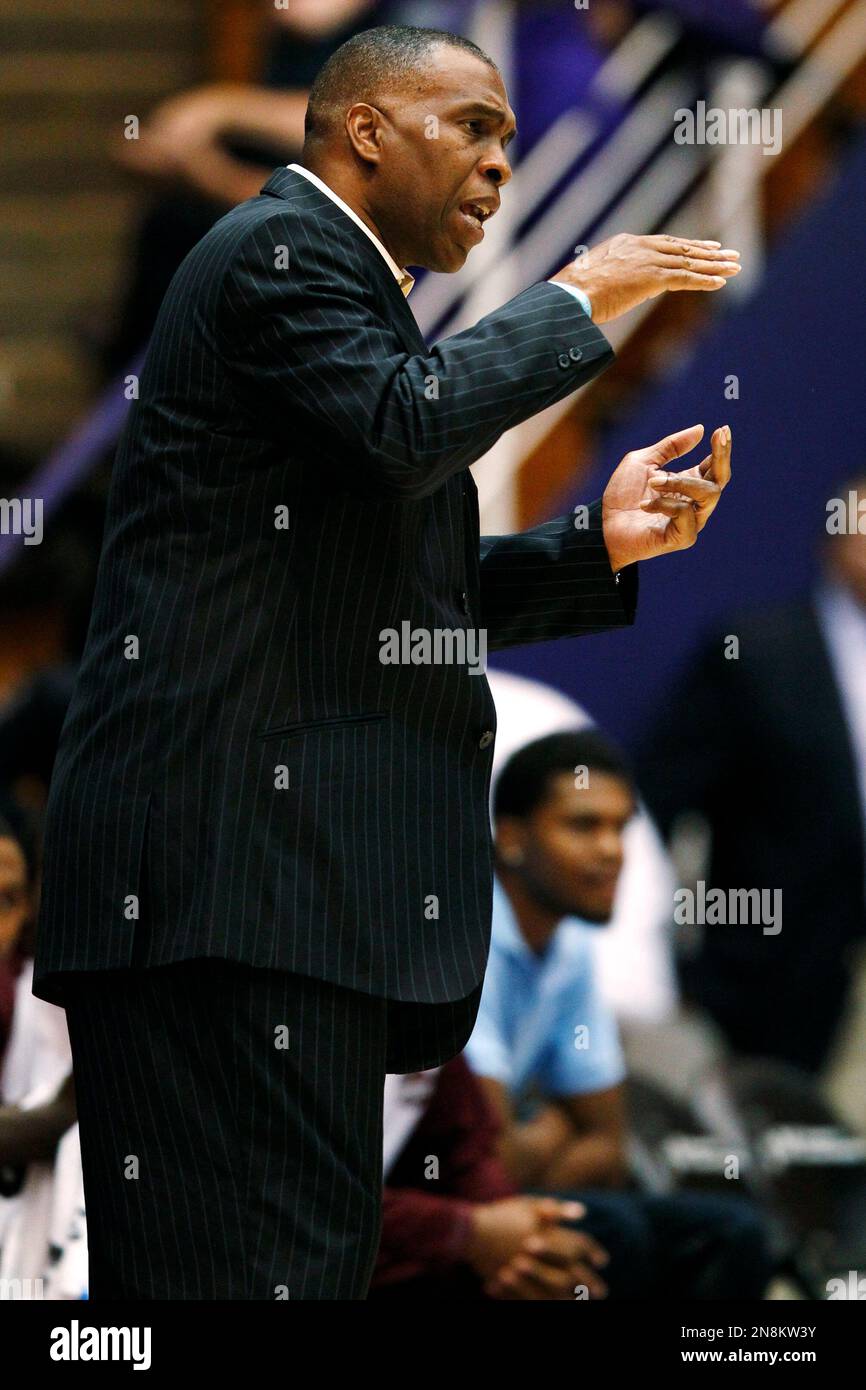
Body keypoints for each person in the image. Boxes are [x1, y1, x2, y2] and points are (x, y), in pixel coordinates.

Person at [34, 24, 734, 1300]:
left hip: (259, 902)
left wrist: (602, 542)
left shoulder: (341, 306)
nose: (498, 167)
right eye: (472, 127)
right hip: (229, 894)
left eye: (507, 140)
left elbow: (394, 603)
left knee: (265, 1279)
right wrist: (579, 296)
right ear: (366, 130)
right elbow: (407, 423)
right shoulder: (281, 255)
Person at [464, 731, 771, 1298]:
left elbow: (608, 1145)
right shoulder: (463, 941)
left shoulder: (571, 945)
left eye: (621, 826)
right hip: (427, 1211)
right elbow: (491, 1168)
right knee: (613, 1230)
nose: (612, 850)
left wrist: (544, 1135)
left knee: (732, 1233)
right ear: (510, 837)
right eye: (584, 825)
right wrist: (563, 1121)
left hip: (505, 1193)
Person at [638, 471, 866, 1074]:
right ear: (836, 539)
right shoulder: (757, 651)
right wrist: (661, 955)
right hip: (760, 979)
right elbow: (656, 800)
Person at [370, 1055, 610, 1300]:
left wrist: (521, 1236)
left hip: (403, 1223)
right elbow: (333, 1205)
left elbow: (465, 1147)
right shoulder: (334, 1037)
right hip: (353, 1245)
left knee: (608, 1238)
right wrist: (471, 1232)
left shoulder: (427, 1025)